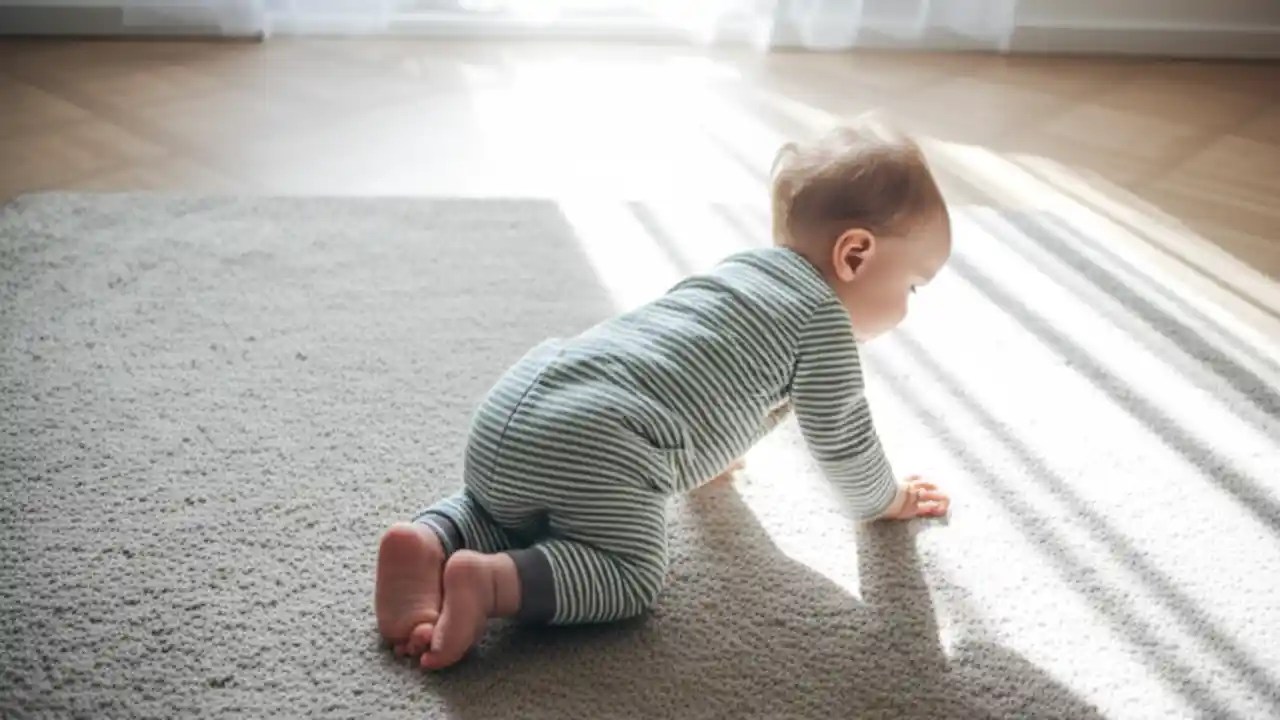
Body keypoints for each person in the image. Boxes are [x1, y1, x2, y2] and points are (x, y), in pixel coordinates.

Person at [375, 117, 953, 670]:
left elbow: (694, 366)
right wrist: (884, 500)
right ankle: (491, 582)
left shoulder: (743, 269)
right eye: (913, 286)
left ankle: (433, 536)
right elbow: (843, 439)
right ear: (855, 254)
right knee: (630, 572)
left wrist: (720, 456)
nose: (907, 305)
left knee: (506, 506)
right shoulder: (822, 323)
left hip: (521, 399)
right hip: (599, 440)